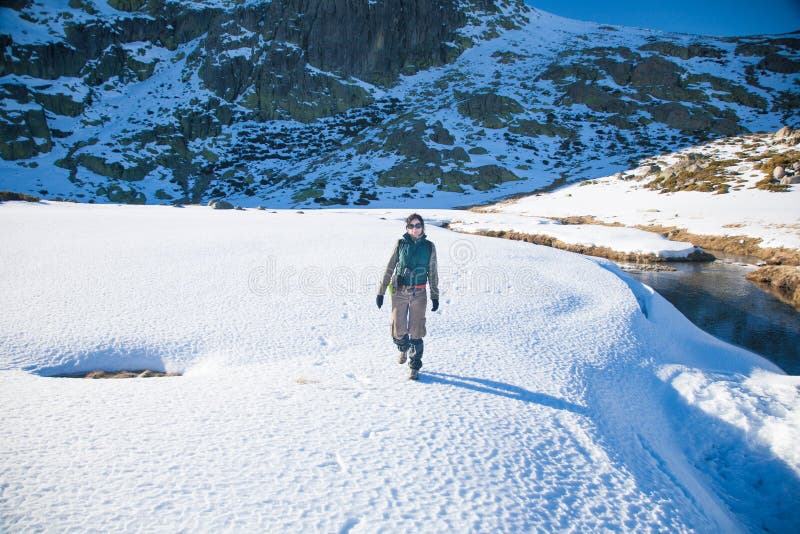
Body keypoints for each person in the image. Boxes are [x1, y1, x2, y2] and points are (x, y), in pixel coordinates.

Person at [376, 213, 439, 380]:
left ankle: (414, 366)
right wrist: (381, 291)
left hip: (419, 293)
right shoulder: (400, 244)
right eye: (411, 226)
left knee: (416, 330)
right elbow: (390, 267)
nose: (415, 229)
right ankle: (402, 348)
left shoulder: (429, 247)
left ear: (423, 227)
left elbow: (433, 272)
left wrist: (435, 295)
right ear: (407, 228)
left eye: (418, 225)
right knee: (398, 330)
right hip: (399, 292)